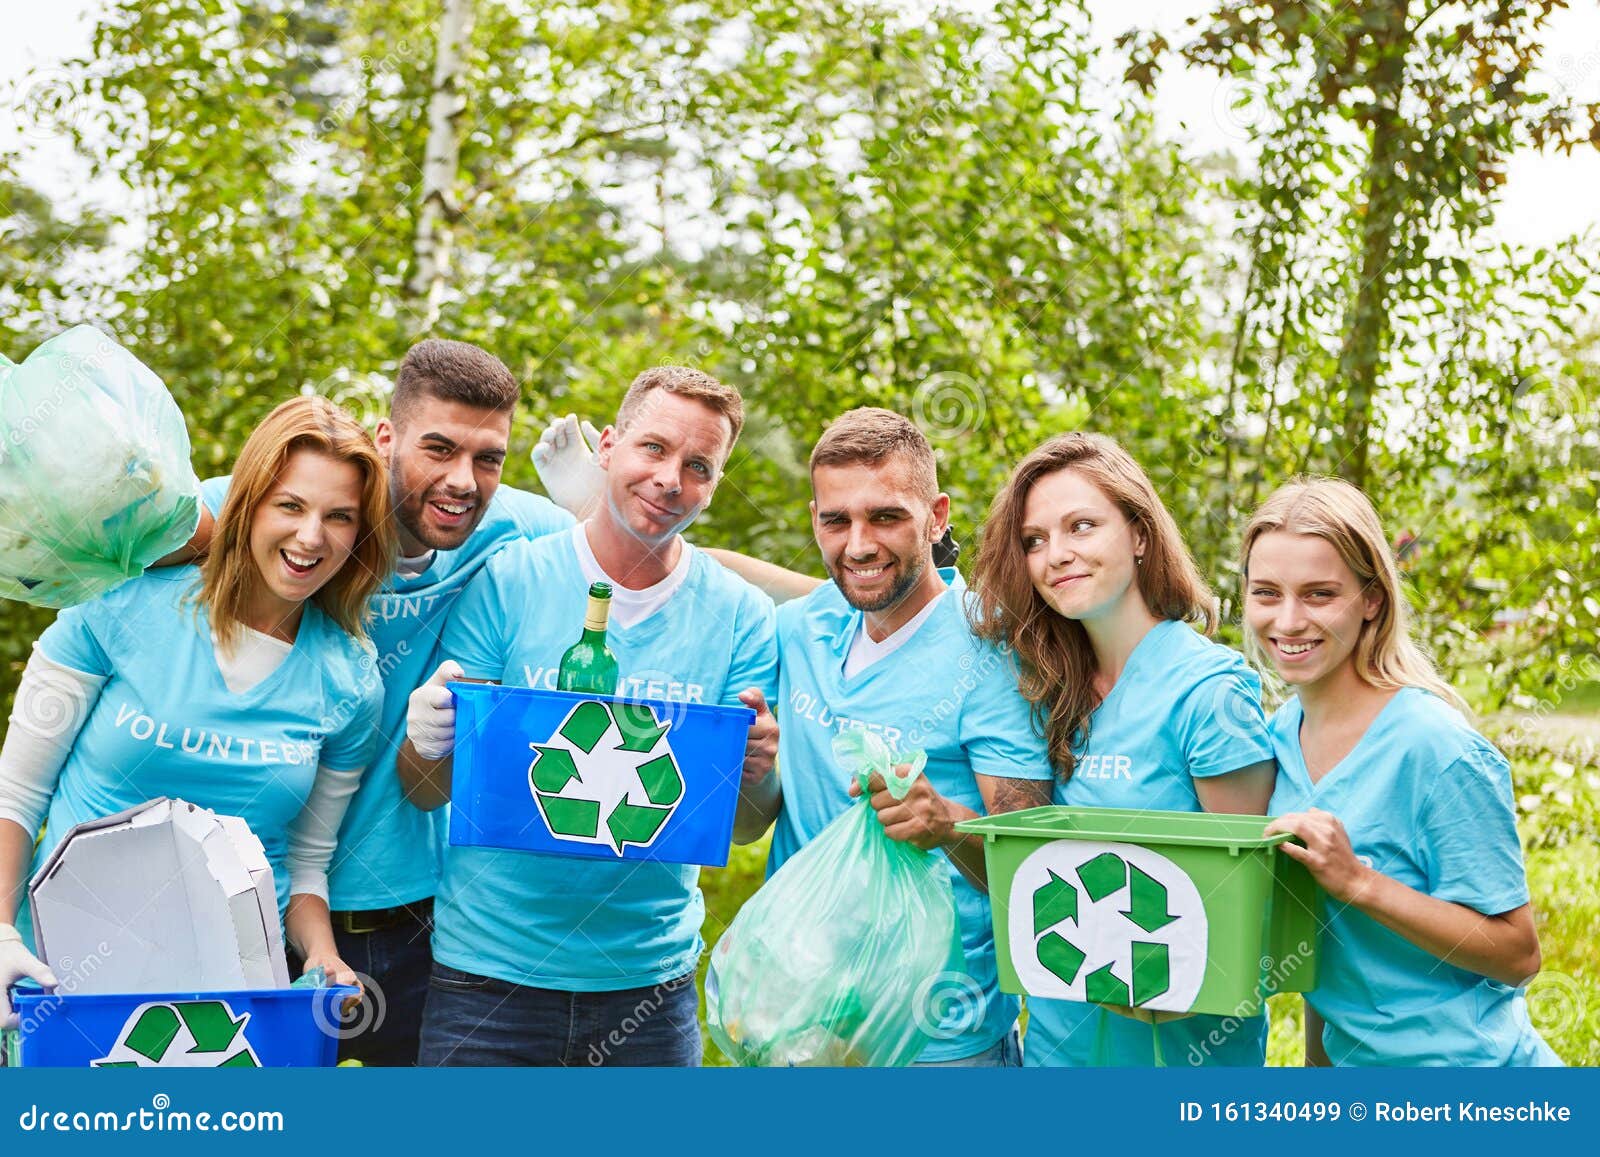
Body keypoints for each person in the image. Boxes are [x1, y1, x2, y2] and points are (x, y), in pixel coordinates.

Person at [181, 339, 575, 1064]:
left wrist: (839, 601)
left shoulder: (516, 529)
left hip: (424, 918)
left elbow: (663, 561)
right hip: (262, 913)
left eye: (489, 457)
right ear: (386, 437)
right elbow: (133, 529)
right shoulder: (306, 517)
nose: (464, 480)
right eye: (439, 448)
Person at [398, 366, 779, 1067]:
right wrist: (426, 737)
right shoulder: (512, 581)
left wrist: (757, 771)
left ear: (716, 483)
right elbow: (425, 788)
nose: (671, 479)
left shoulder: (740, 618)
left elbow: (748, 823)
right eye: (654, 449)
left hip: (647, 991)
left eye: (699, 466)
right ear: (608, 447)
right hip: (487, 980)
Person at [0, 396, 393, 1027]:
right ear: (249, 505)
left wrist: (323, 956)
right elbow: (17, 793)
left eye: (339, 517)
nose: (311, 536)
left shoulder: (349, 679)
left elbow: (305, 860)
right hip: (64, 985)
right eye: (289, 505)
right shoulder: (120, 604)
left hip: (229, 1008)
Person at [749, 407, 1055, 1066]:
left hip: (939, 1041)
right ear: (815, 521)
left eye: (886, 517)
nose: (859, 545)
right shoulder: (803, 629)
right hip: (803, 1026)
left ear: (937, 516)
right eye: (837, 521)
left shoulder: (992, 649)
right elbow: (701, 577)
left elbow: (1032, 869)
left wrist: (946, 821)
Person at [969, 432, 1277, 1067]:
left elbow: (1256, 914)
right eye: (1035, 540)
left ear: (1139, 534)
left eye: (1082, 526)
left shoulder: (1209, 693)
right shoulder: (1046, 688)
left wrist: (1161, 992)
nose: (1057, 555)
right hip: (1057, 1057)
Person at [1245, 478, 1559, 1066]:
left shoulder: (1436, 747)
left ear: (1372, 601)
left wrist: (1360, 882)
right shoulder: (1277, 739)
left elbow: (1518, 955)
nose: (1287, 620)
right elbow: (1327, 944)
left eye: (1319, 594)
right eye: (1266, 592)